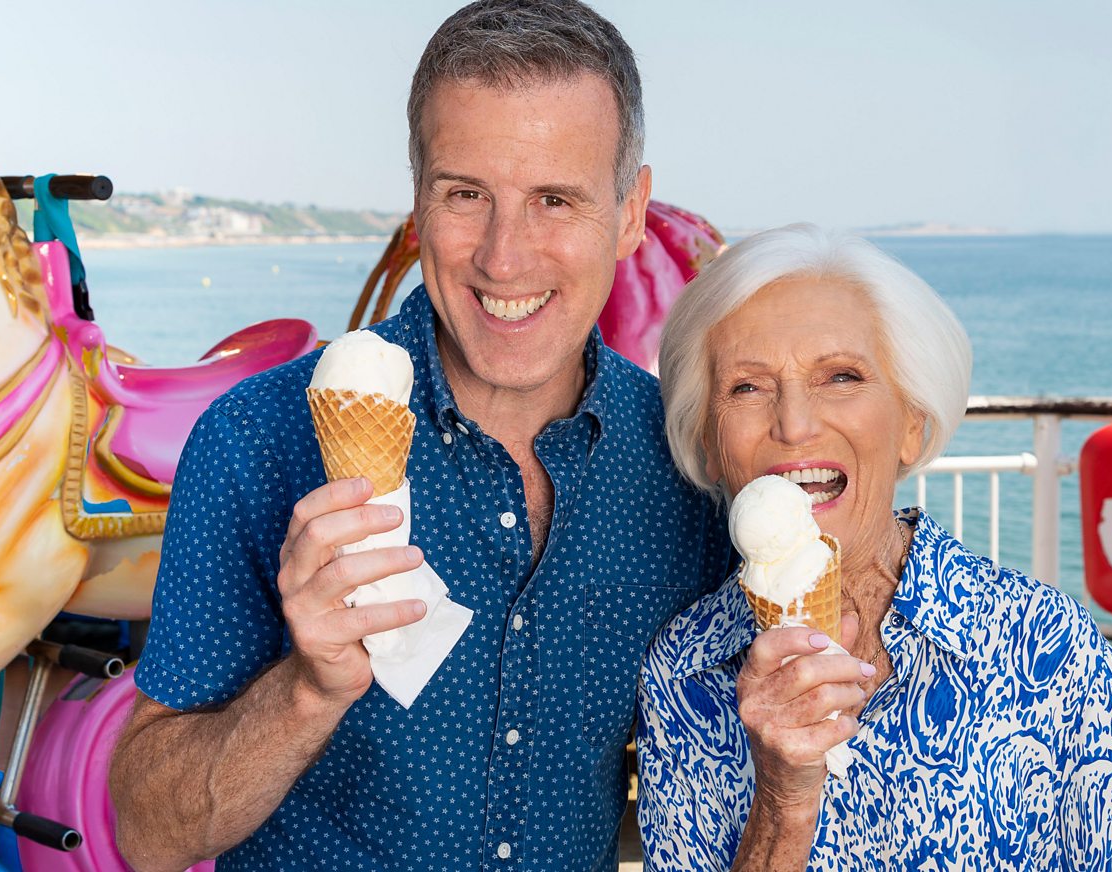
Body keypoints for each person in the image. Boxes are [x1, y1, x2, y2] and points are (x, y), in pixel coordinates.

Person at [109, 3, 731, 869]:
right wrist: (306, 691)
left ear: (630, 211)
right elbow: (146, 832)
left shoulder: (686, 463)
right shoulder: (256, 439)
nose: (504, 257)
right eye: (466, 194)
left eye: (555, 199)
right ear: (417, 204)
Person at [637, 224, 1112, 870]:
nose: (794, 423)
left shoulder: (1048, 644)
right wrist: (783, 803)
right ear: (710, 446)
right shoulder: (683, 673)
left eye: (841, 377)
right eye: (748, 386)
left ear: (910, 428)